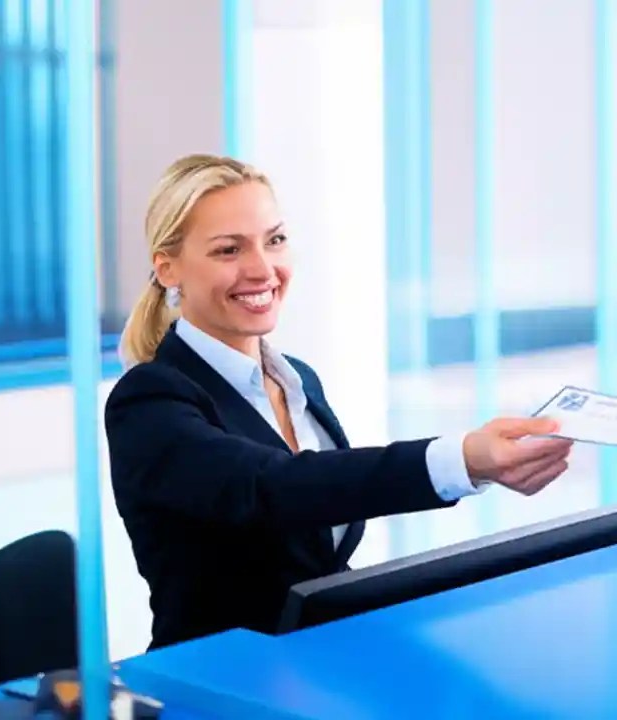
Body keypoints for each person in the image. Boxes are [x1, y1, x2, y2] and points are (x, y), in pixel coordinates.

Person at [105, 154, 572, 650]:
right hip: (220, 681)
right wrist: (460, 460)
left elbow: (323, 541)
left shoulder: (298, 380)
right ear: (167, 267)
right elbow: (274, 489)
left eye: (275, 240)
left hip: (320, 663)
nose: (263, 269)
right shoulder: (150, 401)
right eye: (228, 250)